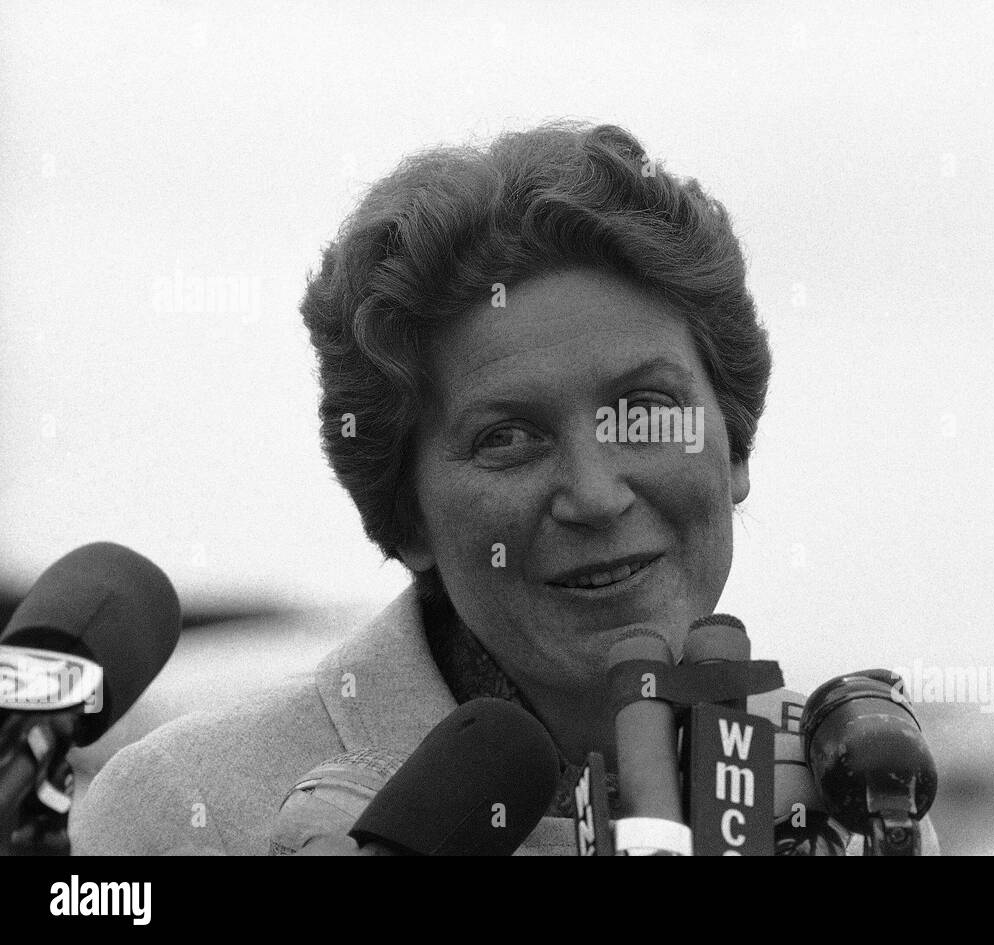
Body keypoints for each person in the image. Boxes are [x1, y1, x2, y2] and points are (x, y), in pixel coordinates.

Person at [70, 121, 933, 854]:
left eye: (647, 410)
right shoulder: (187, 812)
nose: (595, 494)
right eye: (507, 438)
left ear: (733, 445)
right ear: (405, 517)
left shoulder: (845, 794)